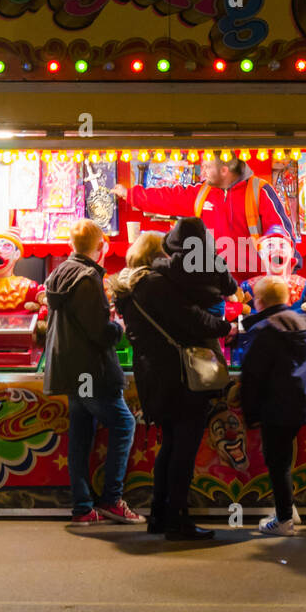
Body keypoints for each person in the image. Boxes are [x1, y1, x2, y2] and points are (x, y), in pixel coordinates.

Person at [111, 219, 233, 541]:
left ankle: (161, 515)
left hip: (154, 376)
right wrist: (225, 328)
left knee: (170, 446)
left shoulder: (131, 288)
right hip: (179, 378)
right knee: (183, 448)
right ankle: (178, 519)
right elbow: (190, 319)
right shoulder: (155, 285)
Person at [43, 220, 144, 526]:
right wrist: (119, 328)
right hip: (89, 370)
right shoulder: (87, 278)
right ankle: (112, 500)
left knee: (81, 434)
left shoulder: (59, 273)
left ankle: (83, 506)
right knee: (124, 423)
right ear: (100, 247)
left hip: (69, 369)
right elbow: (99, 332)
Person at [112, 157, 295, 282]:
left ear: (224, 170)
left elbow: (282, 233)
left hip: (255, 283)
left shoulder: (260, 190)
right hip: (212, 284)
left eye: (207, 167)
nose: (203, 171)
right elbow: (167, 198)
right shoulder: (201, 192)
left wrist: (285, 269)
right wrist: (130, 194)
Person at [238, 276, 306, 536]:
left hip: (276, 405)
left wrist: (250, 414)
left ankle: (284, 520)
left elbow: (252, 376)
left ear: (259, 302)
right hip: (301, 403)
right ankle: (289, 508)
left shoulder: (264, 329)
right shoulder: (303, 322)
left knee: (277, 461)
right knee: (284, 458)